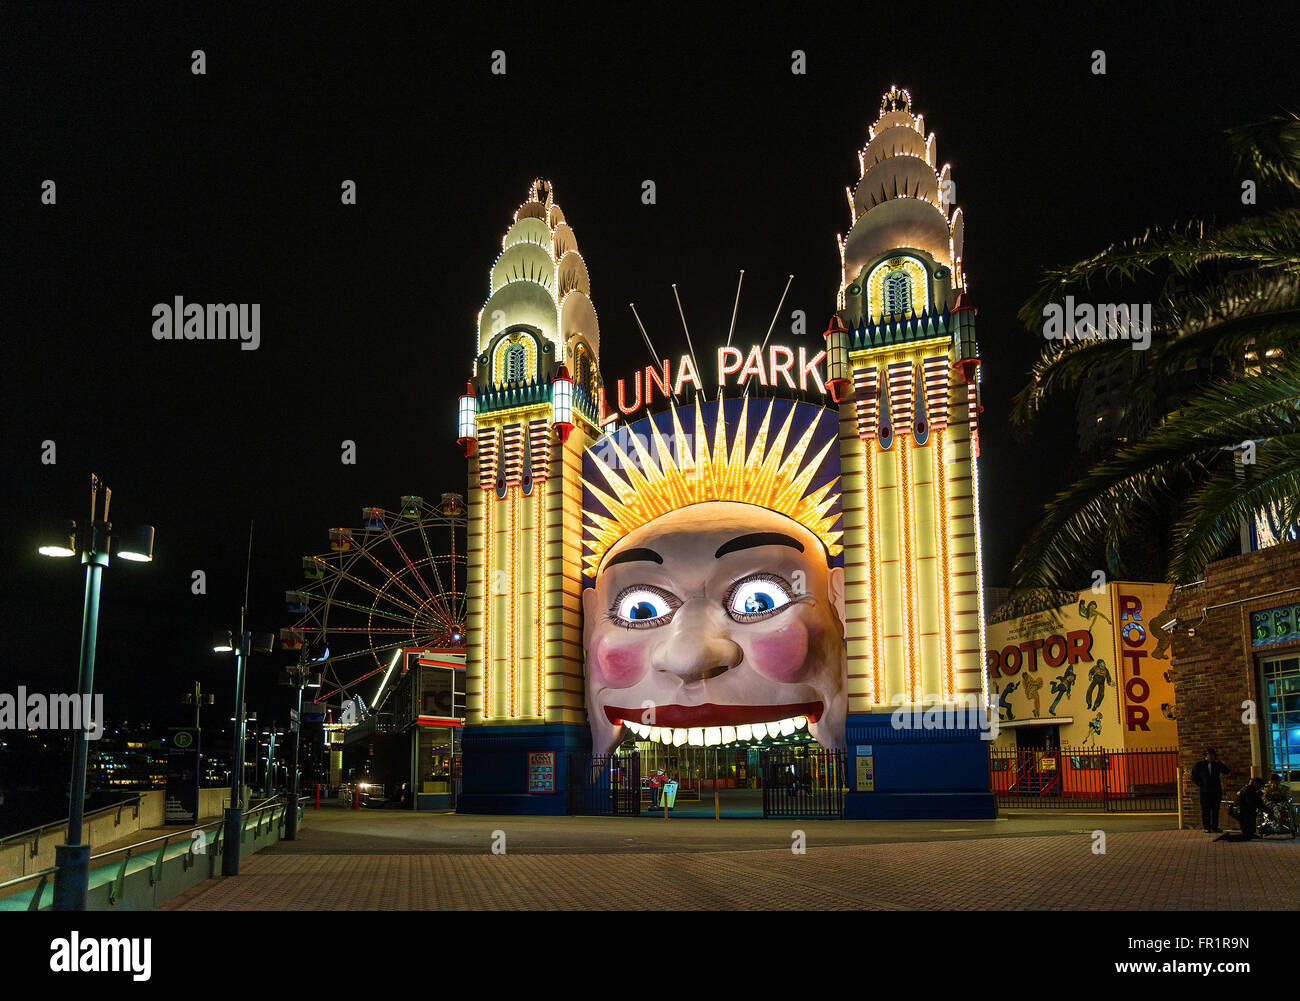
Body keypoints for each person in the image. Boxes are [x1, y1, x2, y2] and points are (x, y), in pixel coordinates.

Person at [1189, 748, 1231, 833]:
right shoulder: (1200, 764)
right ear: (1205, 756)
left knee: (1215, 809)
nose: (1211, 757)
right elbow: (1193, 776)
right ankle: (1206, 826)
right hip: (1205, 791)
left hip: (1216, 790)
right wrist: (1200, 784)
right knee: (1205, 809)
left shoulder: (1216, 764)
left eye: (1213, 755)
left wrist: (1219, 762)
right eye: (1209, 755)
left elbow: (1226, 771)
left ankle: (1215, 826)